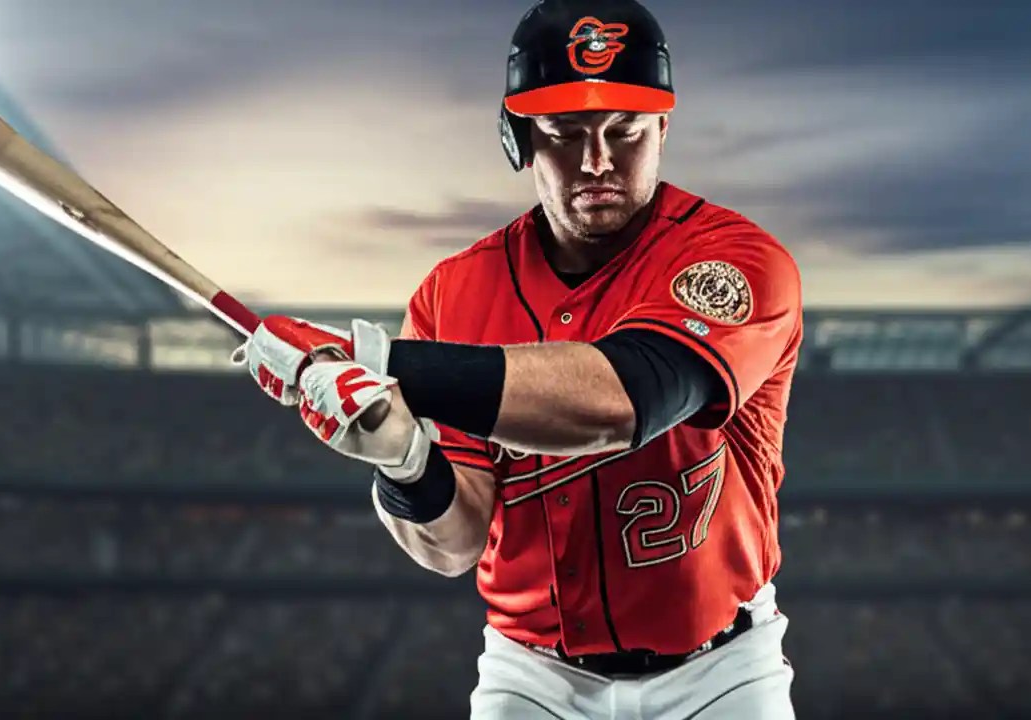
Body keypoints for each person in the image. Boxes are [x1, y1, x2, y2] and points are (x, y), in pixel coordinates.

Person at [233, 0, 803, 716]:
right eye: (565, 132)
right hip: (532, 677)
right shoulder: (454, 291)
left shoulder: (736, 260)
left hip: (720, 674)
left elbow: (624, 399)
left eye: (624, 130)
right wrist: (403, 455)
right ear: (520, 136)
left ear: (662, 127)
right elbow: (452, 546)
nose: (597, 159)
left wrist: (377, 360)